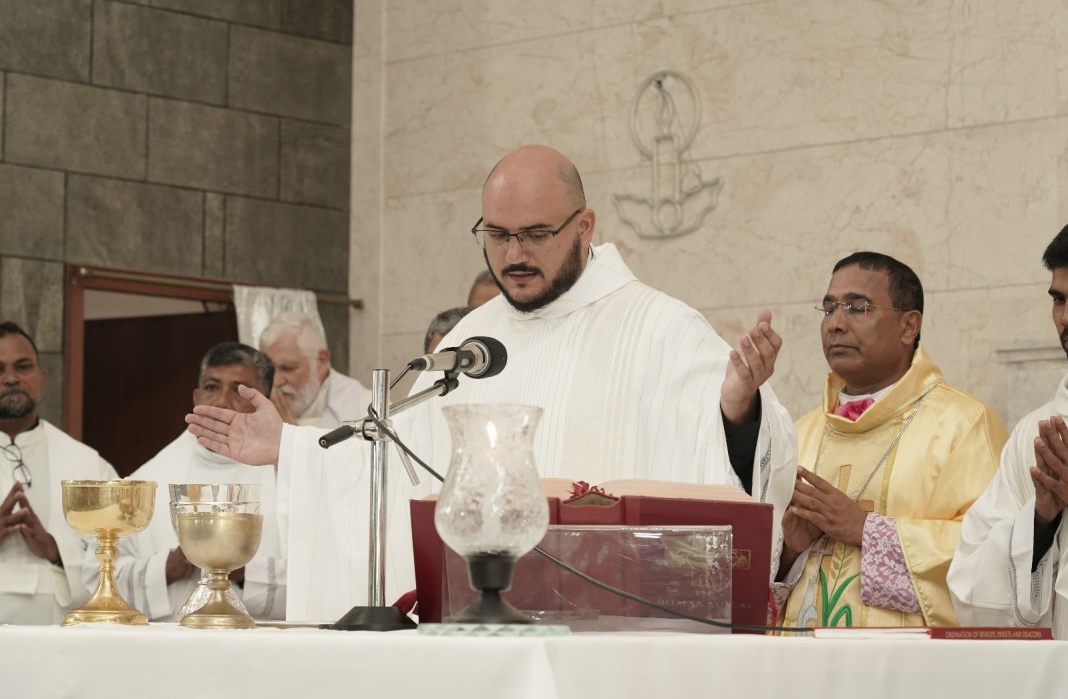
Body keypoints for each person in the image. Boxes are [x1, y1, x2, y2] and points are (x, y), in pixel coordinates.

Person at [188, 144, 798, 622]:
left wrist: (737, 407)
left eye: (536, 234)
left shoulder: (661, 328)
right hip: (488, 623)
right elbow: (405, 459)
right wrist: (288, 447)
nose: (513, 255)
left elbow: (735, 467)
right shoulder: (474, 342)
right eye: (497, 235)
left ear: (584, 226)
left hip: (618, 625)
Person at [776, 253, 1006, 629]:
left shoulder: (963, 424)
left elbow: (994, 556)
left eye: (856, 307)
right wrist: (789, 550)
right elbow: (755, 572)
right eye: (829, 308)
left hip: (905, 673)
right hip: (800, 669)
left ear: (908, 326)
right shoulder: (799, 433)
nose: (835, 324)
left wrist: (865, 530)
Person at [85, 342, 286, 621]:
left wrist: (245, 570)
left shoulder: (290, 478)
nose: (222, 402)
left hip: (261, 648)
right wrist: (167, 567)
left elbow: (325, 575)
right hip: (172, 649)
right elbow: (97, 578)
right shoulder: (147, 480)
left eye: (239, 391)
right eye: (212, 387)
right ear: (196, 397)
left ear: (264, 400)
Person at [949, 225, 1068, 637]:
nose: (1066, 317)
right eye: (1059, 299)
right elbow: (968, 586)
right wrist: (1041, 519)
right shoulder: (1033, 434)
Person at [0, 322, 117, 624]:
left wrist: (54, 548)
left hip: (58, 632)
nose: (10, 379)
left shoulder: (89, 465)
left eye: (22, 367)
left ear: (41, 378)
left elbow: (120, 553)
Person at [259, 311, 370, 426]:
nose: (276, 381)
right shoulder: (257, 401)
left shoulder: (364, 409)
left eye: (287, 368)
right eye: (269, 368)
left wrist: (290, 433)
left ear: (321, 361)